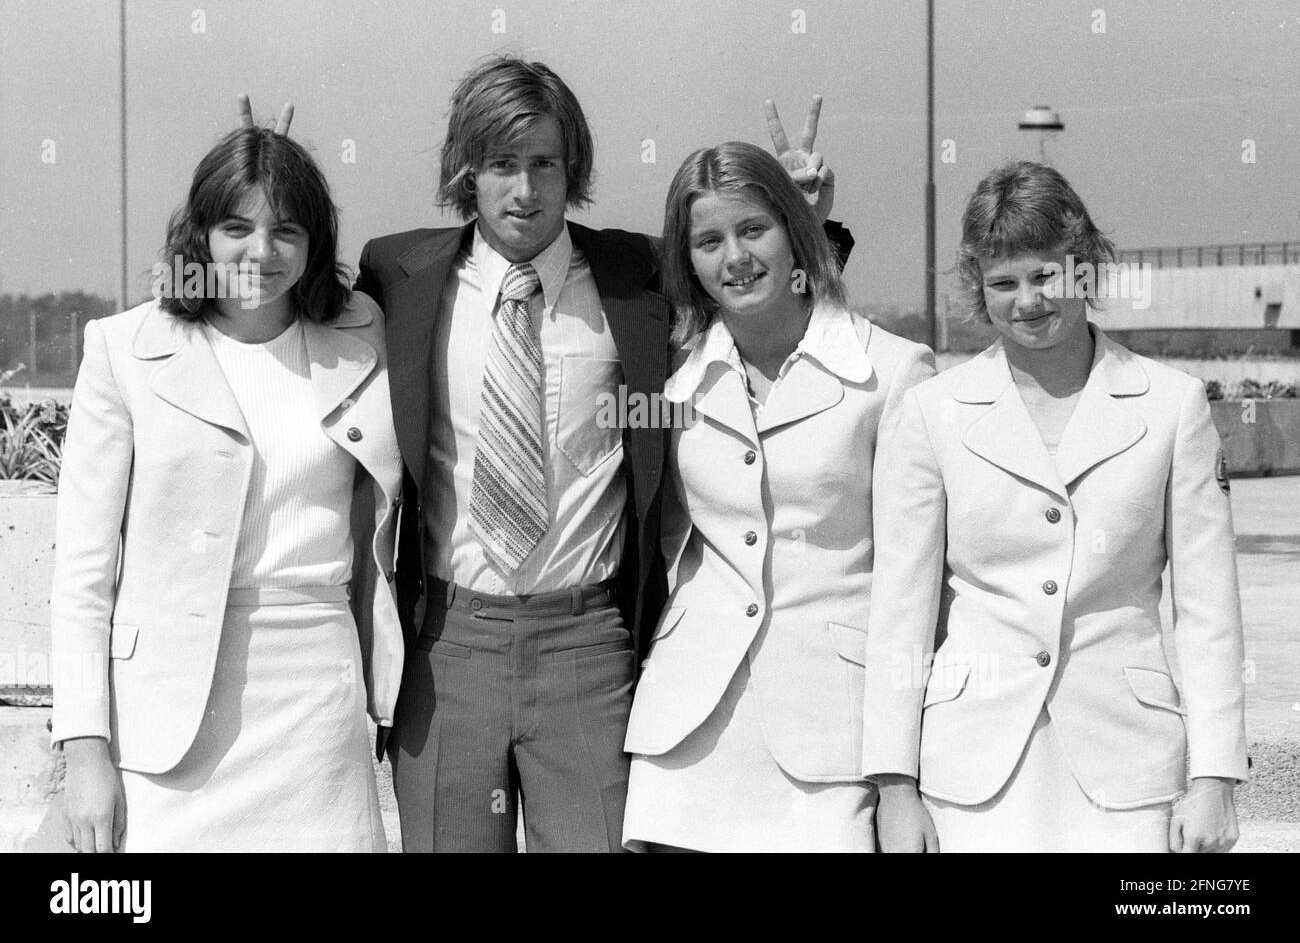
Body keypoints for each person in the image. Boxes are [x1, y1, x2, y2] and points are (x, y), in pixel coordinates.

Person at [353, 55, 849, 852]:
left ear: (572, 167)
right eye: (502, 165)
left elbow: (759, 314)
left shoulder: (638, 277)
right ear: (465, 172)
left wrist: (804, 226)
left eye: (545, 163)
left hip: (587, 651)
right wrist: (267, 190)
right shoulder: (399, 274)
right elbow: (292, 317)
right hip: (448, 651)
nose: (525, 190)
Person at [863, 161, 1248, 852]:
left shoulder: (1172, 405)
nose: (1028, 301)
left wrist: (1214, 777)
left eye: (1045, 275)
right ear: (978, 290)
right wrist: (895, 786)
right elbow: (900, 610)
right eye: (1003, 283)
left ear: (1084, 269)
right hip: (971, 774)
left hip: (1128, 775)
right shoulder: (931, 413)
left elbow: (1209, 612)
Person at [50, 121, 404, 852]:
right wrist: (84, 747)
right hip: (169, 725)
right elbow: (82, 574)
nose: (260, 253)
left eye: (287, 231)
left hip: (316, 713)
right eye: (236, 227)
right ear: (200, 234)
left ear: (315, 244)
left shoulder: (363, 337)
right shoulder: (123, 351)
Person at [620, 141, 935, 851]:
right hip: (688, 738)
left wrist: (897, 779)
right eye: (709, 240)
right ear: (689, 262)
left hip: (832, 746)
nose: (734, 257)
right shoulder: (674, 385)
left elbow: (910, 591)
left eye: (754, 229)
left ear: (797, 233)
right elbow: (668, 543)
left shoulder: (893, 373)